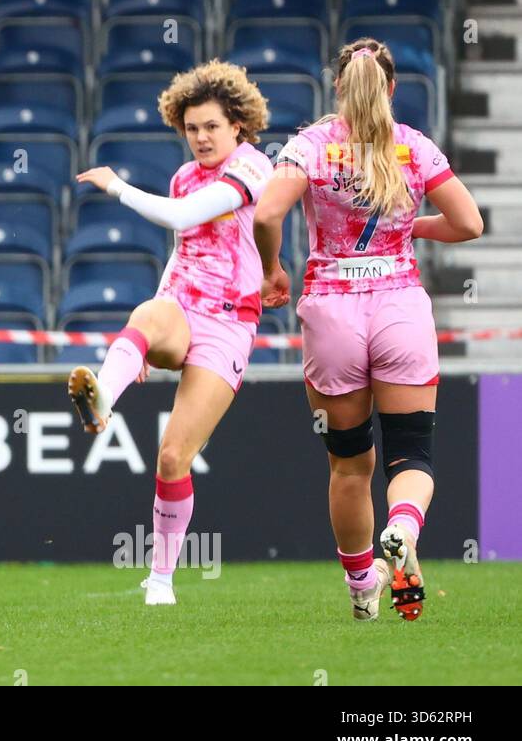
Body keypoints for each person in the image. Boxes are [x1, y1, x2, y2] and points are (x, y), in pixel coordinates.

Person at [253, 38, 483, 621]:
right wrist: (413, 233)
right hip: (400, 308)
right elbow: (470, 223)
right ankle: (401, 532)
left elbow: (265, 214)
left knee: (350, 465)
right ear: (392, 90)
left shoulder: (309, 147)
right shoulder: (412, 146)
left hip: (332, 313)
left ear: (338, 88)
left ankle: (362, 590)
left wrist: (272, 270)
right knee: (411, 456)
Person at [69, 60, 273, 605]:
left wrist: (117, 188)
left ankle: (161, 578)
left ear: (238, 126)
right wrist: (154, 319)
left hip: (230, 322)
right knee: (145, 312)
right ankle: (104, 397)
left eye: (211, 126)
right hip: (183, 306)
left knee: (171, 457)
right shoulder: (184, 174)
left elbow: (186, 214)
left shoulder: (254, 168)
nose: (201, 137)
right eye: (192, 128)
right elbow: (183, 248)